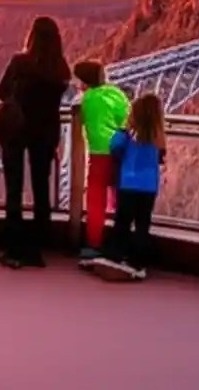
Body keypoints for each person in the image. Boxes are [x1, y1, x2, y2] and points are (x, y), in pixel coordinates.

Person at [0, 16, 71, 269]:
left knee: (13, 190)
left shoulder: (20, 63)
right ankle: (36, 250)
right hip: (46, 133)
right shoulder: (61, 70)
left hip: (16, 131)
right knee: (41, 191)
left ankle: (13, 249)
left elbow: (0, 94)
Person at [93, 93, 167, 282]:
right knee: (142, 224)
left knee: (123, 221)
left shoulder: (126, 135)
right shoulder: (158, 140)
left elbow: (114, 147)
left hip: (128, 184)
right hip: (149, 188)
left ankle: (116, 255)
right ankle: (138, 263)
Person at [72, 60, 130, 261]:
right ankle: (120, 244)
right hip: (121, 151)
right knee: (121, 198)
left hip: (98, 154)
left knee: (96, 200)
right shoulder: (117, 94)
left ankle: (94, 244)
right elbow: (127, 118)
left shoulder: (87, 99)